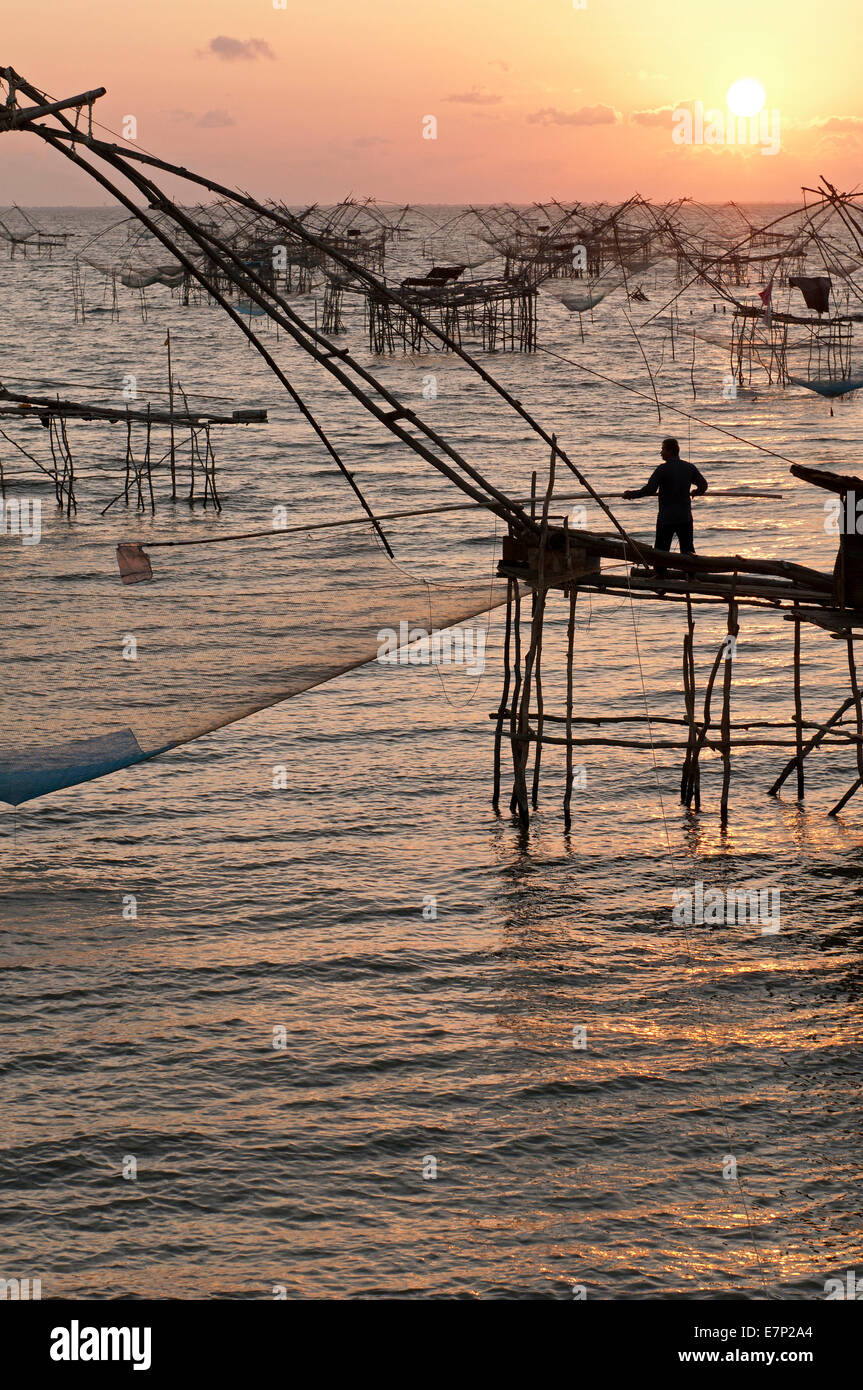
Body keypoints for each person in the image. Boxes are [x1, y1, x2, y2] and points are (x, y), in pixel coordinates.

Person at [623, 438, 708, 573]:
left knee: (661, 549)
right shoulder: (689, 467)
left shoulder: (662, 469)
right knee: (688, 549)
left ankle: (660, 576)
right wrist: (696, 492)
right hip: (684, 516)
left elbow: (650, 489)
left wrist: (631, 494)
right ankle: (691, 576)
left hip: (666, 517)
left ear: (670, 451)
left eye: (663, 449)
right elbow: (703, 485)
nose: (660, 453)